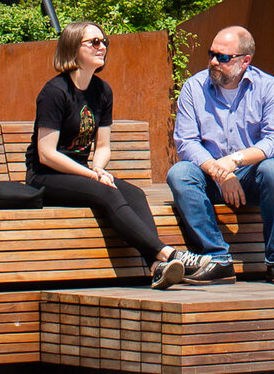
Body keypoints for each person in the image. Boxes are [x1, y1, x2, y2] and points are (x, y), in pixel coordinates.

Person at [29, 21, 188, 290]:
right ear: (73, 48)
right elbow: (46, 154)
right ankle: (166, 254)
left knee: (134, 193)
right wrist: (92, 175)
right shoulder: (55, 92)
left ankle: (155, 266)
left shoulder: (102, 91)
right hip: (46, 177)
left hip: (82, 173)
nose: (102, 46)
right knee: (106, 192)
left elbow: (102, 146)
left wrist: (99, 169)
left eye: (104, 42)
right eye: (94, 42)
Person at [168, 25, 274, 285]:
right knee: (178, 173)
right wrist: (220, 172)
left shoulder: (268, 87)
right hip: (209, 175)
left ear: (245, 61)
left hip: (250, 175)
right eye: (212, 54)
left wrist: (234, 162)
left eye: (223, 57)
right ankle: (217, 258)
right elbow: (186, 142)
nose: (214, 62)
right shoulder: (194, 87)